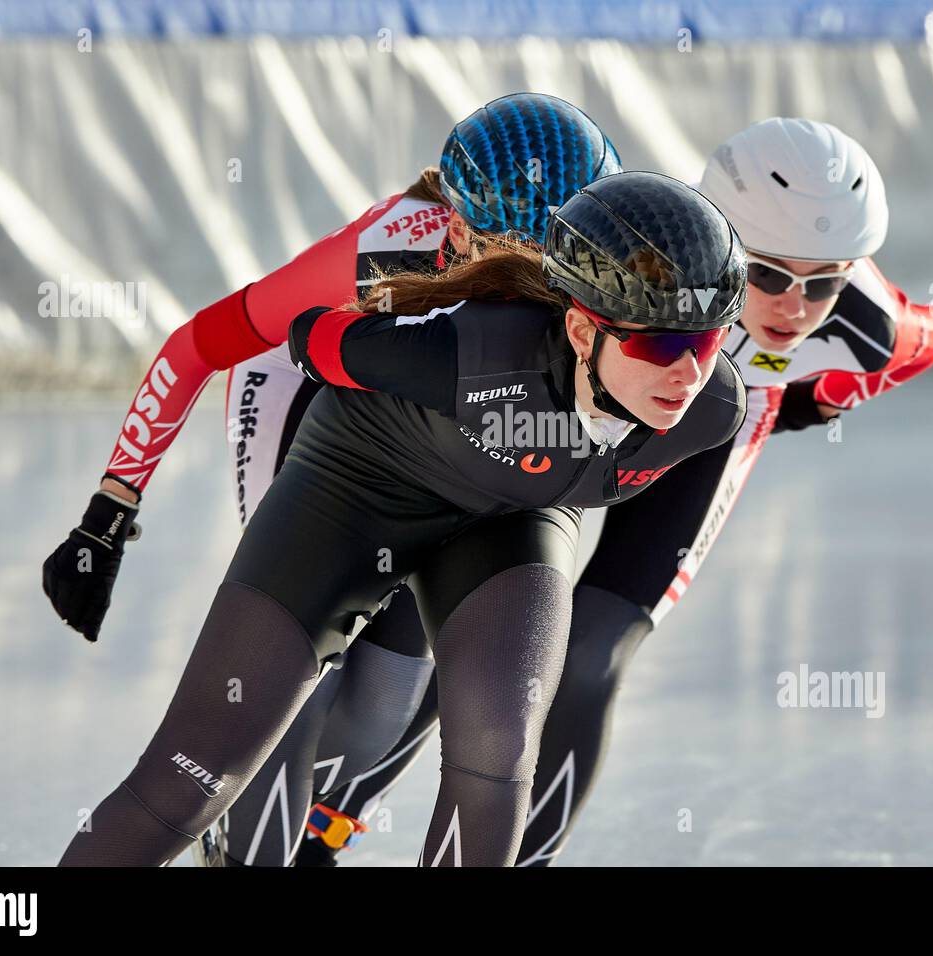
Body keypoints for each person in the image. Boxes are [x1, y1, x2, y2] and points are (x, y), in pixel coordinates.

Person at [293, 117, 933, 867]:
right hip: (587, 422)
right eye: (769, 275)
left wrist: (810, 401)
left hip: (701, 437)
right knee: (478, 629)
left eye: (827, 281)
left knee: (585, 656)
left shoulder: (878, 328)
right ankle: (319, 824)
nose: (796, 308)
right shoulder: (641, 242)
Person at [56, 169, 751, 866]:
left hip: (512, 518)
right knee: (190, 777)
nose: (686, 374)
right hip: (359, 492)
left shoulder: (713, 413)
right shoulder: (469, 355)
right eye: (659, 345)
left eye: (707, 344)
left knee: (497, 747)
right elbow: (308, 338)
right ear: (578, 328)